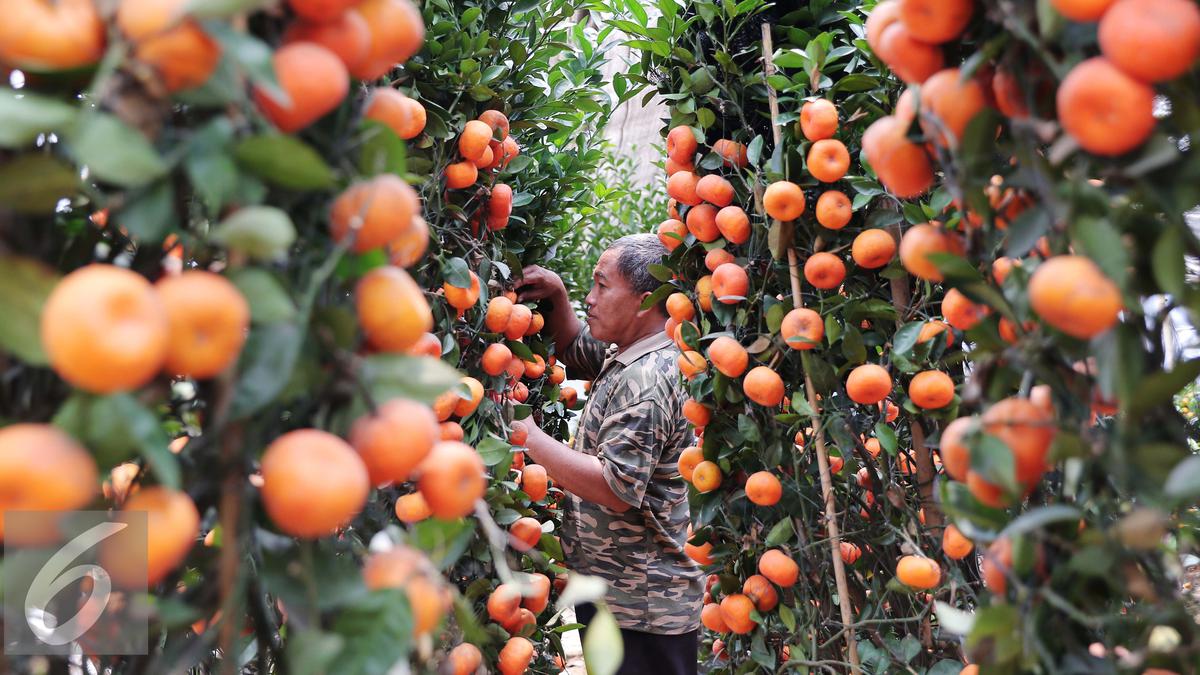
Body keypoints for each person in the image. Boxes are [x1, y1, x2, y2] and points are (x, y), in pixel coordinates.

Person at [515, 233, 704, 675]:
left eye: (602, 286)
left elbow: (615, 487)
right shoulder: (635, 349)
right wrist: (557, 295)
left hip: (644, 606)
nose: (590, 298)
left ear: (644, 301)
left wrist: (531, 438)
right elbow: (577, 350)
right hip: (620, 593)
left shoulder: (651, 378)